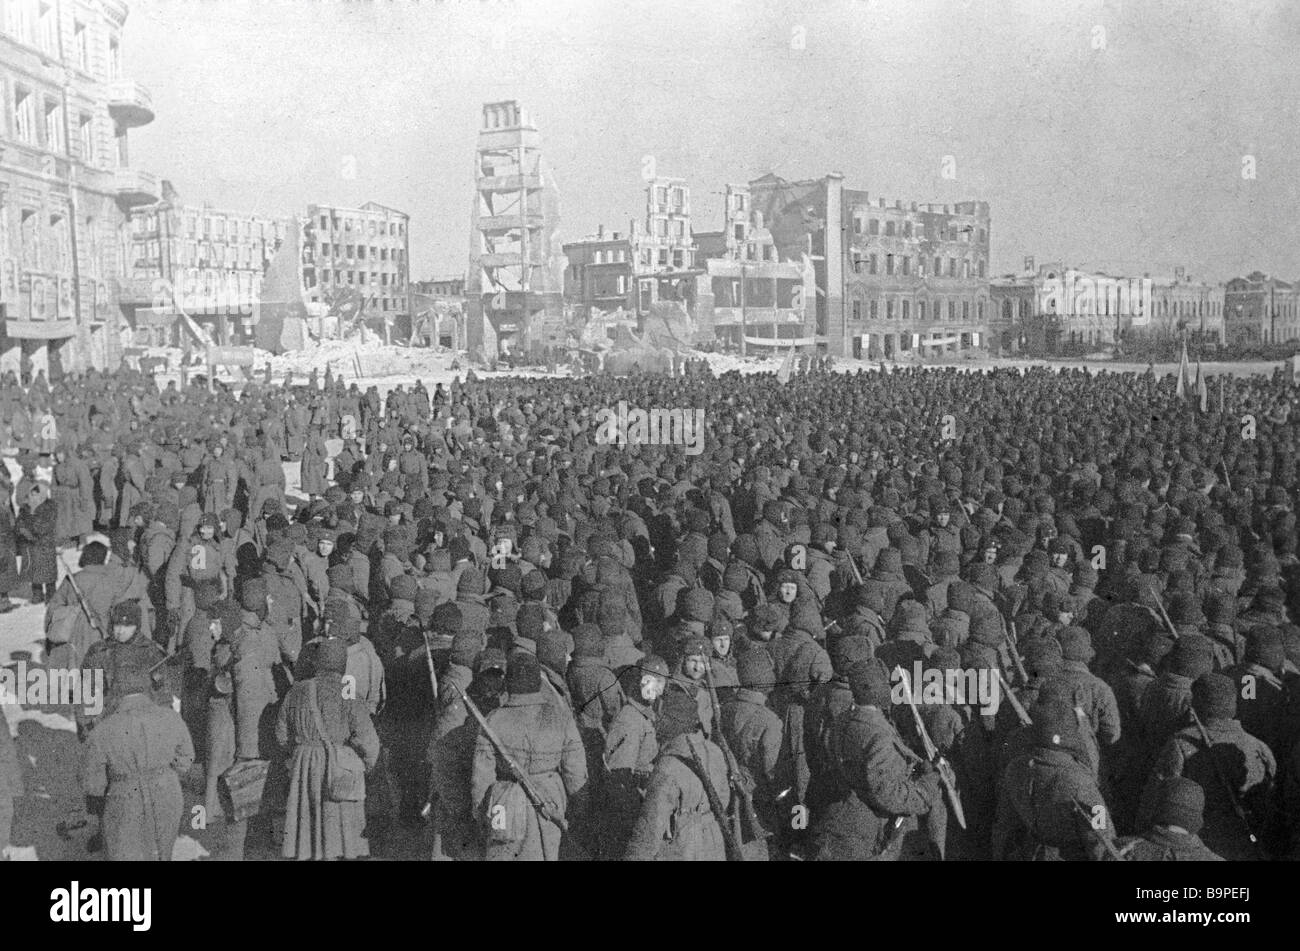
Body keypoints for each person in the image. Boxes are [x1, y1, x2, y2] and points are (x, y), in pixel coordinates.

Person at [470, 651, 587, 861]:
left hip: (505, 801)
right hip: (552, 799)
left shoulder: (492, 720)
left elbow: (482, 777)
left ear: (508, 683)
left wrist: (481, 815)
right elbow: (575, 769)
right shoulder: (560, 716)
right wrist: (579, 806)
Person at [277, 638, 382, 860]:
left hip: (304, 764)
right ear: (343, 664)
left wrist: (298, 754)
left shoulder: (297, 691)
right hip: (338, 764)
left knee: (307, 833)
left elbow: (281, 734)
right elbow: (367, 738)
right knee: (338, 832)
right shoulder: (347, 692)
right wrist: (367, 765)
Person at [78, 667, 194, 861]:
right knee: (162, 852)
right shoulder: (171, 717)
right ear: (149, 689)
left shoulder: (102, 730)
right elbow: (186, 760)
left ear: (114, 693)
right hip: (167, 793)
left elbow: (92, 785)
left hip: (124, 800)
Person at [624, 687, 730, 861]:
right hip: (713, 843)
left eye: (661, 717)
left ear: (670, 722)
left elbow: (650, 828)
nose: (656, 722)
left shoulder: (668, 766)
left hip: (682, 847)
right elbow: (723, 799)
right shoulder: (715, 751)